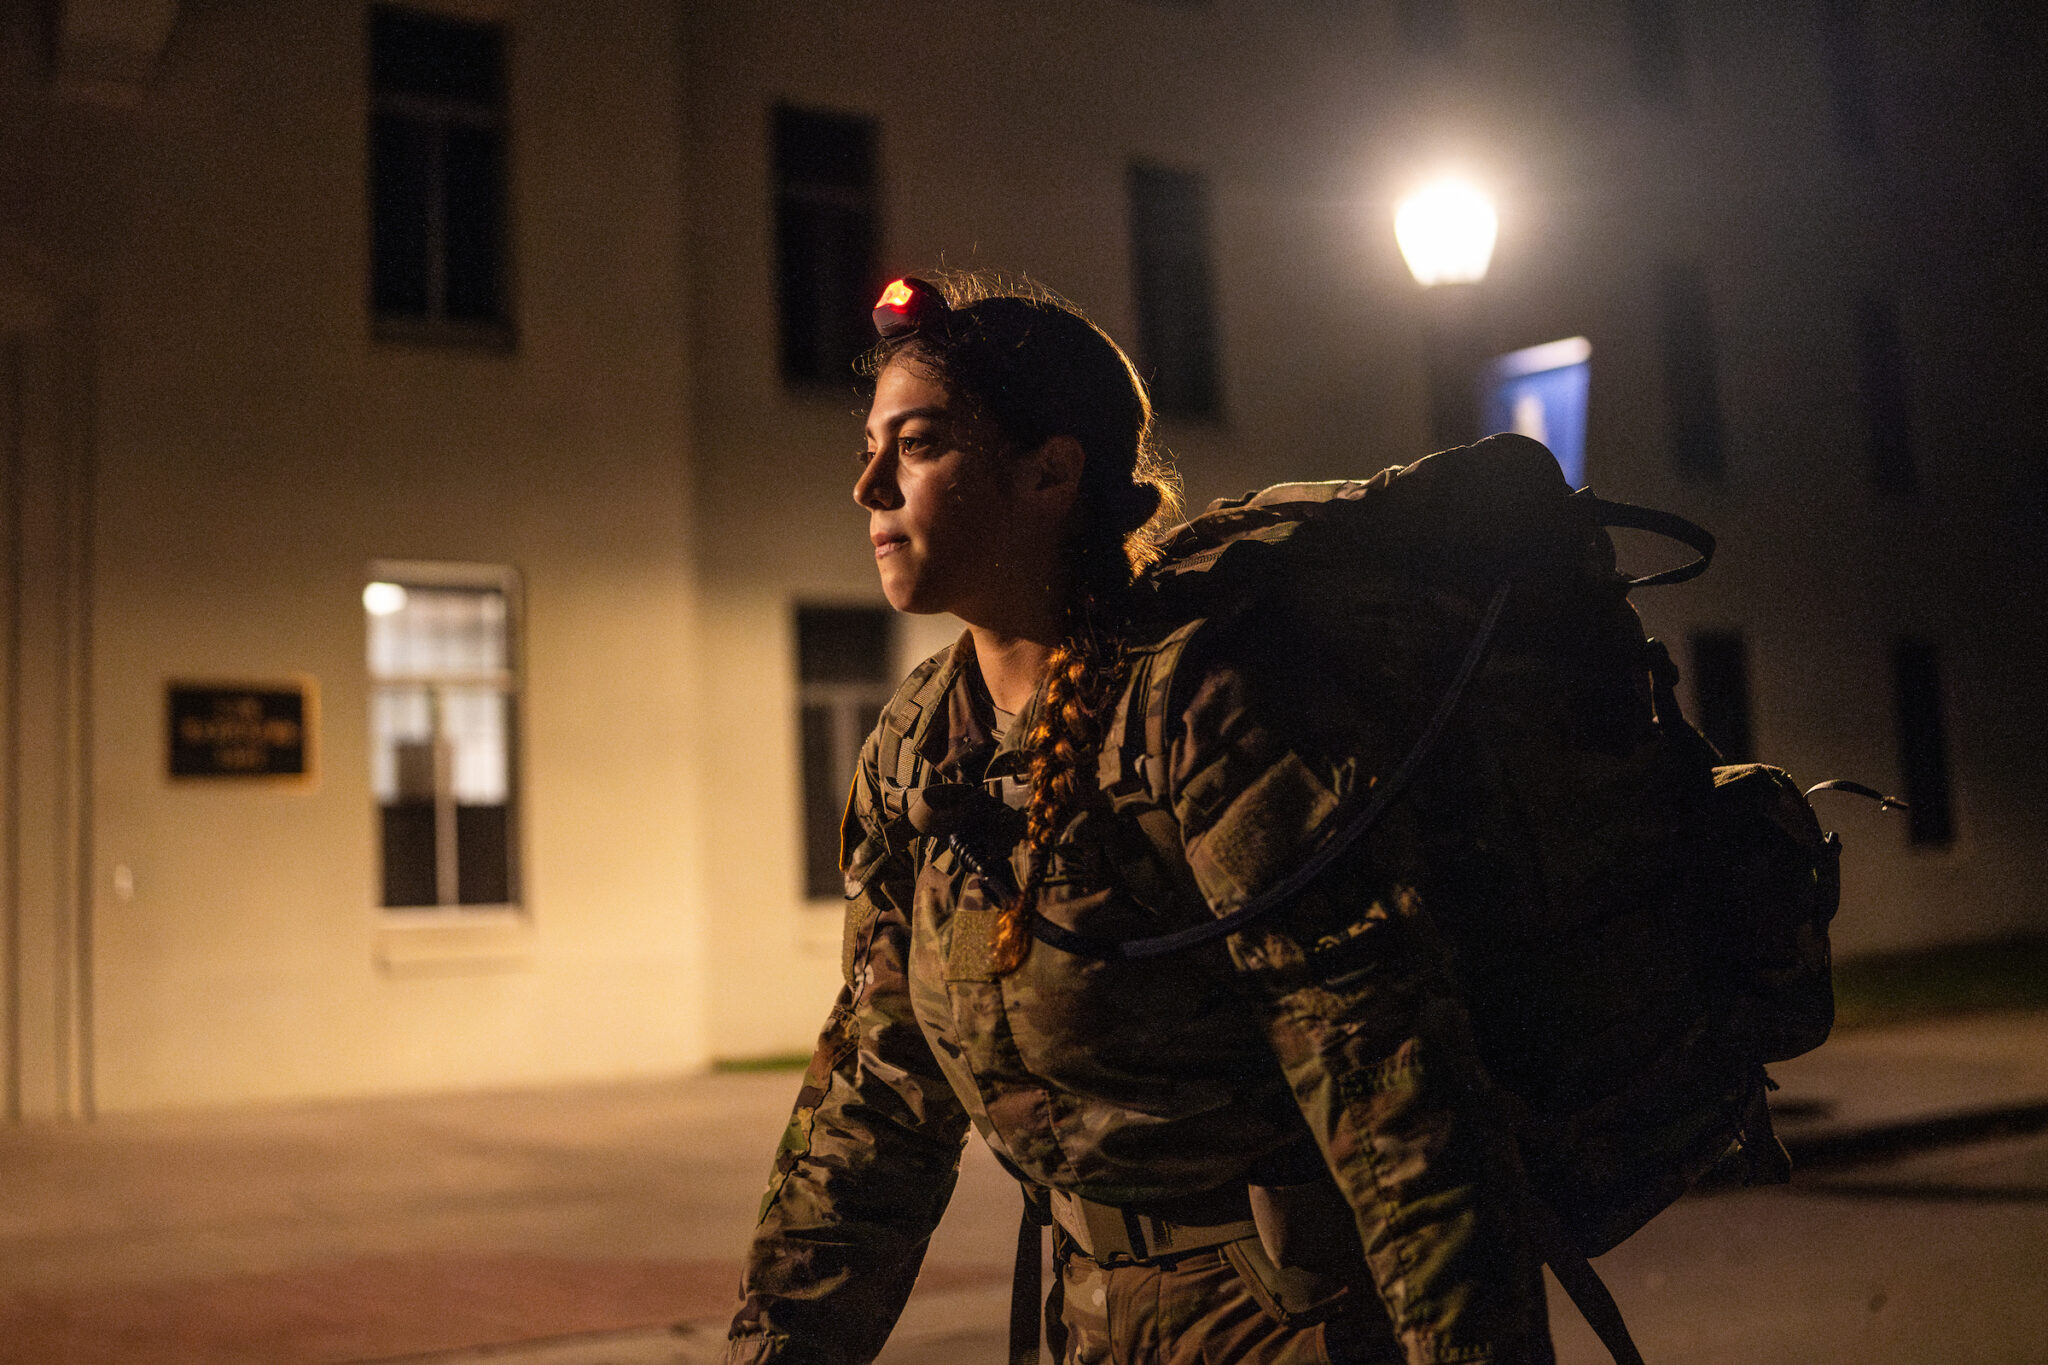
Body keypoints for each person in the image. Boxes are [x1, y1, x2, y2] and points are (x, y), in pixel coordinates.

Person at [723, 273, 1556, 1365]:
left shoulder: (1206, 709)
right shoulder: (920, 745)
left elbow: (1389, 1089)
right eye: (871, 445)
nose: (868, 486)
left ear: (1048, 473)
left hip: (1281, 1318)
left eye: (917, 445)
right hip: (1087, 1314)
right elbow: (875, 1097)